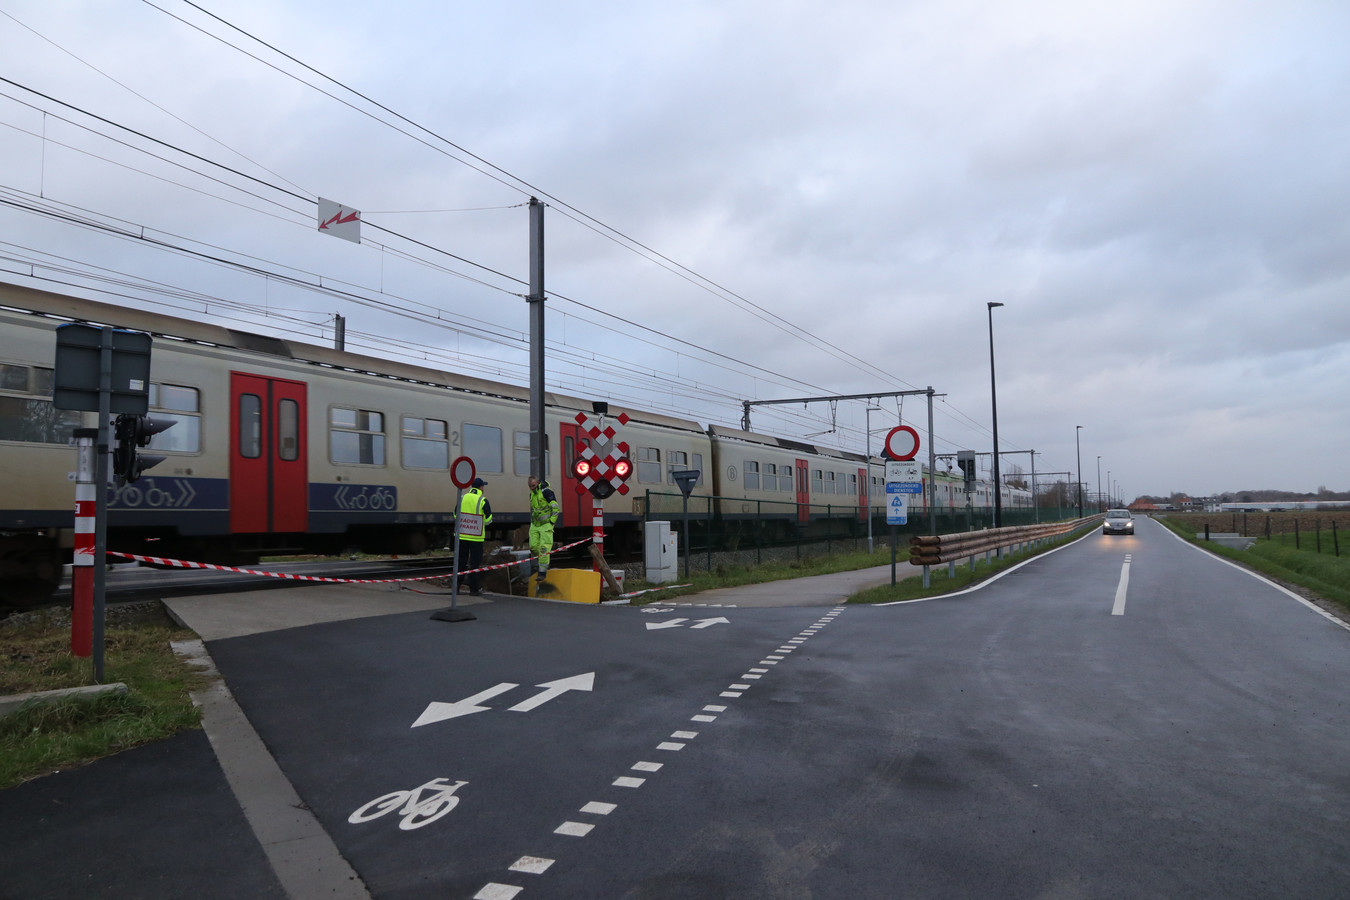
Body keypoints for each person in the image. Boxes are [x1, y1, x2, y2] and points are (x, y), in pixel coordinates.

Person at [457, 478, 492, 595]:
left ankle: (456, 588)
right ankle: (474, 589)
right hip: (476, 538)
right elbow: (488, 520)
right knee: (474, 564)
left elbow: (455, 514)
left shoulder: (462, 497)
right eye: (483, 486)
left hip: (462, 536)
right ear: (481, 487)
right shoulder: (483, 500)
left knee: (461, 562)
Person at [528, 475, 560, 589]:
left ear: (538, 483)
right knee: (533, 547)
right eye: (530, 487)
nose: (532, 488)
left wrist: (552, 522)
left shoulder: (547, 492)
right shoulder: (532, 494)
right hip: (535, 525)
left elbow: (555, 508)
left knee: (543, 548)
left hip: (546, 524)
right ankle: (544, 561)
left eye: (533, 486)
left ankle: (542, 572)